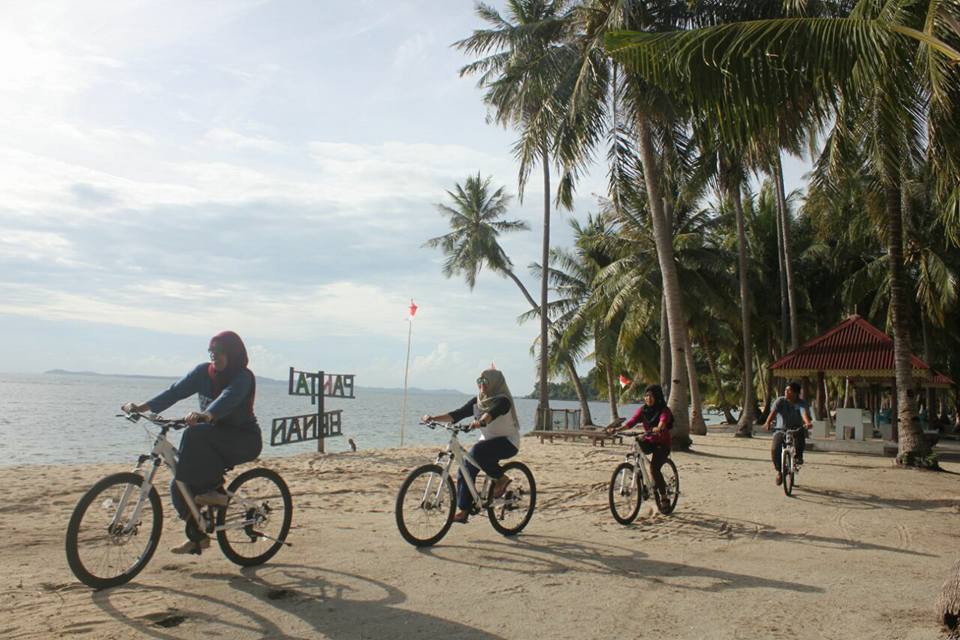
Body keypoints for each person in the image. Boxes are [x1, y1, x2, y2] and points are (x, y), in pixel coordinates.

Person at [122, 330, 263, 554]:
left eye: (220, 352)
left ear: (233, 354)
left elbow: (228, 397)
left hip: (243, 439)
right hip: (212, 439)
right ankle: (198, 538)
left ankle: (212, 489)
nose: (214, 356)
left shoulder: (243, 377)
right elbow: (175, 392)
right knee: (179, 486)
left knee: (193, 434)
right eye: (211, 351)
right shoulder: (202, 373)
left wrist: (206, 415)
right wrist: (141, 408)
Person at [422, 368, 520, 524]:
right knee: (464, 468)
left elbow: (492, 413)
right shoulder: (479, 401)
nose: (481, 385)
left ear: (494, 383)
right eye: (479, 381)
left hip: (508, 442)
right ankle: (464, 510)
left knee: (477, 451)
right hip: (487, 441)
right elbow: (457, 414)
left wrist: (481, 422)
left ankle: (501, 478)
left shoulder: (503, 400)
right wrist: (433, 418)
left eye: (485, 381)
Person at [606, 384, 673, 500]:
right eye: (646, 396)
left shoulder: (664, 410)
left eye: (651, 396)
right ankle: (641, 479)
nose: (648, 398)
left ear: (657, 397)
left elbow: (662, 421)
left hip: (662, 444)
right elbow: (631, 422)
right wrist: (617, 429)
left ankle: (664, 497)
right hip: (649, 440)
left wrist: (658, 428)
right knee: (636, 446)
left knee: (654, 469)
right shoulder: (643, 410)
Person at [763, 381, 813, 486]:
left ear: (795, 393)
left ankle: (798, 456)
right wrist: (767, 423)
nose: (786, 391)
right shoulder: (780, 401)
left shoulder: (801, 403)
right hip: (780, 429)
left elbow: (804, 413)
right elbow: (773, 413)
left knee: (800, 436)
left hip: (796, 429)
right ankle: (780, 471)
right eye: (785, 390)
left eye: (788, 390)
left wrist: (807, 423)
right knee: (774, 449)